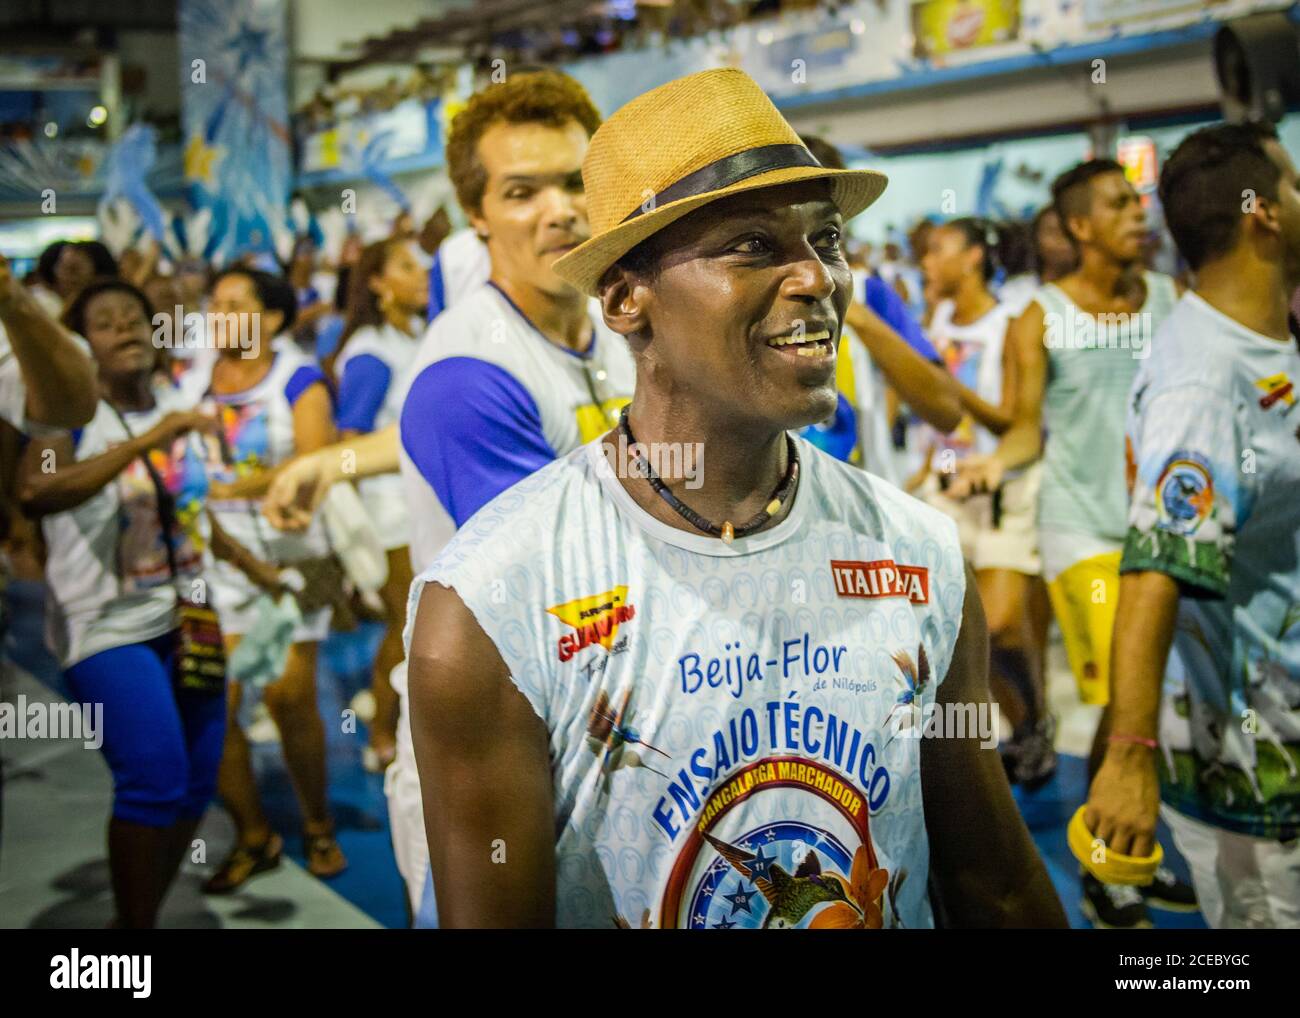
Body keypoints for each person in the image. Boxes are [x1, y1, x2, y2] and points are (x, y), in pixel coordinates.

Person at [405, 68, 1065, 929]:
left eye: (827, 239)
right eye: (753, 245)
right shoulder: (491, 607)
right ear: (625, 299)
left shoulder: (917, 555)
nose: (817, 277)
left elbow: (994, 883)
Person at [261, 69, 635, 927]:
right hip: (496, 755)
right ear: (476, 214)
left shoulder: (614, 333)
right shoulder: (469, 362)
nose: (560, 210)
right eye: (522, 191)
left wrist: (338, 462)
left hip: (607, 728)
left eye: (574, 181)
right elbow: (571, 578)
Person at [949, 159, 1192, 927]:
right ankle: (1104, 868)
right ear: (1080, 226)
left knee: (1163, 705)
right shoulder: (1040, 317)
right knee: (1123, 697)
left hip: (1161, 531)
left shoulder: (1171, 300)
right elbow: (1026, 428)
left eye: (1137, 202)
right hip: (1079, 529)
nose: (1138, 213)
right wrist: (996, 462)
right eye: (1118, 204)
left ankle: (1133, 848)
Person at [1086, 123, 1300, 928]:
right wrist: (1129, 756)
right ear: (1263, 214)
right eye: (1295, 184)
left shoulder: (1263, 341)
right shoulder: (1204, 380)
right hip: (1255, 774)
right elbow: (1155, 570)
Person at [17, 279, 231, 927]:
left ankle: (139, 918)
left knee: (197, 782)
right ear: (79, 347)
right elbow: (36, 492)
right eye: (106, 324)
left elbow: (190, 510)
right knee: (154, 780)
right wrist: (143, 443)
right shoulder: (66, 417)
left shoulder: (174, 401)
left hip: (188, 616)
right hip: (106, 628)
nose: (128, 329)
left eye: (135, 318)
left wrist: (256, 567)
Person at [194, 267, 347, 892]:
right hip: (216, 561)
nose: (219, 314)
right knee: (216, 708)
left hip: (293, 561)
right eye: (215, 303)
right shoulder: (192, 378)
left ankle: (317, 823)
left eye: (236, 304)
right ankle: (253, 835)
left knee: (289, 698)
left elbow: (315, 460)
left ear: (274, 318)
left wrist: (232, 488)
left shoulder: (298, 378)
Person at [917, 217, 1054, 786]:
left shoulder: (1010, 323)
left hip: (1002, 484)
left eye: (939, 250)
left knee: (999, 625)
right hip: (949, 484)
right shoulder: (938, 318)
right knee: (959, 628)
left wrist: (945, 385)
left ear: (974, 257)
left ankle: (1037, 716)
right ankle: (1018, 727)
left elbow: (1015, 420)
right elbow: (932, 421)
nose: (927, 261)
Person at [796, 136, 960, 482]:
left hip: (860, 491)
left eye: (824, 227)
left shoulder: (870, 293)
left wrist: (855, 314)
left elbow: (946, 411)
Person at [329, 237, 428, 772]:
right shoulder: (371, 352)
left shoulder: (417, 335)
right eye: (407, 267)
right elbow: (350, 445)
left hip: (424, 504)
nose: (422, 273)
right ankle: (382, 733)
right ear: (376, 283)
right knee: (407, 625)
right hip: (392, 512)